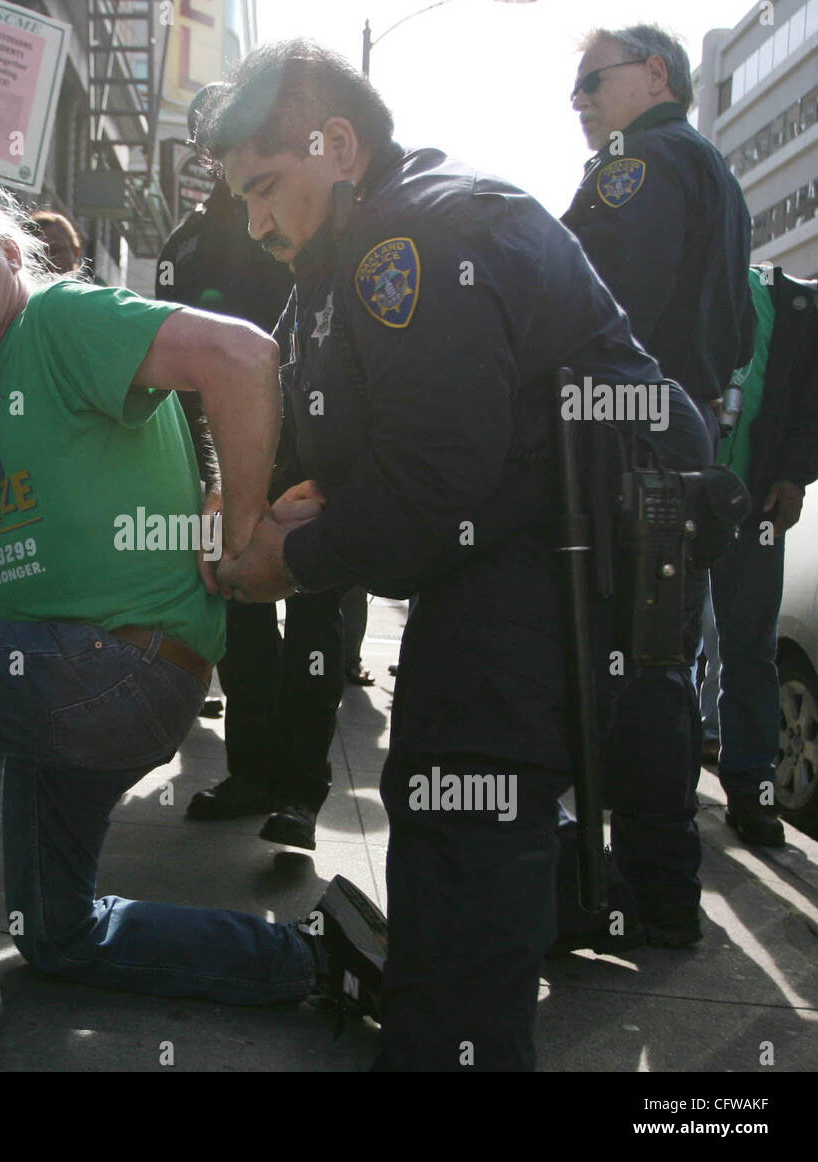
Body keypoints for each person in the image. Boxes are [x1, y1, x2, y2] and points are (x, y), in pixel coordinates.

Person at [0, 169, 388, 1030]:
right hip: (78, 687)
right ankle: (317, 958)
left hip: (110, 672)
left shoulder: (59, 316)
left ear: (11, 247)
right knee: (57, 934)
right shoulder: (3, 375)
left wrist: (240, 527)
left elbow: (242, 355)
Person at [196, 38, 708, 1071]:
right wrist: (256, 505)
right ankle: (480, 972)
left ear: (335, 144)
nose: (251, 222)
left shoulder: (410, 234)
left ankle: (458, 1033)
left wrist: (290, 562)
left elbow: (435, 474)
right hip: (521, 527)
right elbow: (324, 425)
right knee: (448, 778)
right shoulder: (346, 248)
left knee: (467, 774)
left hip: (576, 529)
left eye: (263, 189)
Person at [559, 24, 755, 946]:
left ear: (654, 74)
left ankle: (633, 887)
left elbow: (587, 302)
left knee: (624, 675)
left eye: (593, 81)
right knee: (661, 671)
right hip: (687, 448)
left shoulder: (637, 162)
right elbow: (736, 334)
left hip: (623, 452)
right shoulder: (713, 170)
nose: (582, 103)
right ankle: (662, 890)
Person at [157, 87, 343, 849]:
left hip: (312, 454)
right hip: (226, 464)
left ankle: (300, 791)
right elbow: (169, 369)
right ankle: (254, 773)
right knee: (241, 621)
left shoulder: (305, 218)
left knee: (317, 624)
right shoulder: (187, 245)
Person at [706, 263, 818, 845]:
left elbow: (810, 402)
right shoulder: (675, 281)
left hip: (757, 509)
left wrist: (795, 477)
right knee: (656, 651)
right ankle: (654, 784)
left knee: (750, 650)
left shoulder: (795, 305)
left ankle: (751, 791)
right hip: (676, 500)